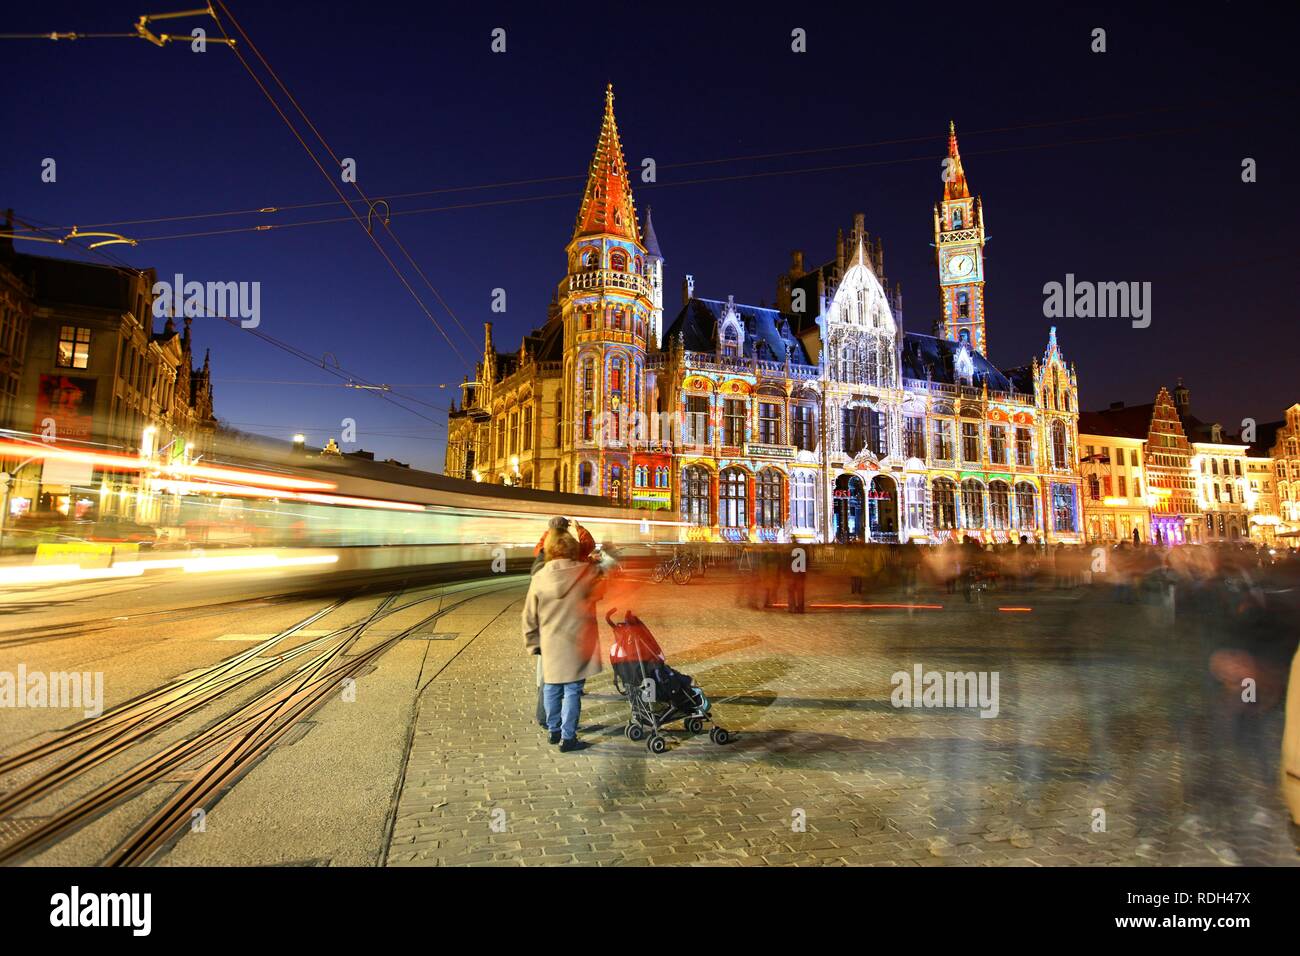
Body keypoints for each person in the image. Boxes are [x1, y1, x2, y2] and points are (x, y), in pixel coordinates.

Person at [523, 529, 604, 752]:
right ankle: (568, 738)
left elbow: (529, 615)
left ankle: (553, 729)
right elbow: (599, 594)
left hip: (551, 643)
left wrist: (533, 643)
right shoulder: (585, 573)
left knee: (551, 687)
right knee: (572, 690)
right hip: (578, 643)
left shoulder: (539, 578)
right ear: (572, 549)